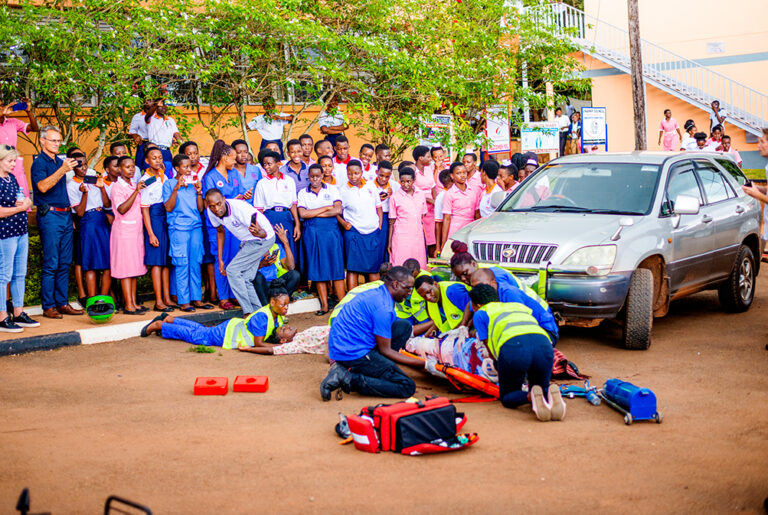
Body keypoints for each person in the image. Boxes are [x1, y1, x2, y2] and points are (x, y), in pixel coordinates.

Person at [320, 266, 425, 401]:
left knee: (403, 327)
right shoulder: (383, 307)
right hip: (352, 353)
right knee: (406, 386)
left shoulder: (379, 293)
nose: (409, 293)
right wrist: (423, 364)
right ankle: (349, 378)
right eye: (408, 289)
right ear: (395, 285)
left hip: (346, 346)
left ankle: (365, 368)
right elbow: (386, 350)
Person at [469, 284, 565, 420]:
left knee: (508, 396)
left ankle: (529, 396)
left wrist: (498, 363)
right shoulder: (517, 306)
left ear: (476, 305)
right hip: (544, 345)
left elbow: (486, 343)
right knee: (540, 386)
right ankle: (547, 394)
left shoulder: (480, 313)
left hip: (514, 348)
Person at [142, 282, 297, 354]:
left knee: (203, 331)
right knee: (198, 336)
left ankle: (170, 319)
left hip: (229, 330)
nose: (286, 307)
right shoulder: (263, 317)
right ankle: (159, 326)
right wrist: (278, 348)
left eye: (287, 304)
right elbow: (259, 343)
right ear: (272, 302)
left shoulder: (279, 316)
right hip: (227, 335)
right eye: (283, 304)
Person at [30, 126, 83, 319]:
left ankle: (62, 303)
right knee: (51, 263)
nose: (57, 144)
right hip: (50, 215)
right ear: (43, 141)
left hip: (65, 215)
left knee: (65, 262)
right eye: (53, 140)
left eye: (59, 141)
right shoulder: (39, 163)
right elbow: (42, 187)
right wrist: (62, 170)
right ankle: (48, 306)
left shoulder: (59, 162)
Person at [206, 189, 275, 315]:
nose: (216, 209)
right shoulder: (212, 212)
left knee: (232, 270)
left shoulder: (240, 209)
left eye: (218, 204)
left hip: (262, 239)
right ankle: (258, 313)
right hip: (248, 241)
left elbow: (263, 234)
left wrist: (258, 235)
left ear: (224, 200)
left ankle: (248, 312)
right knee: (246, 278)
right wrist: (220, 259)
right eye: (212, 206)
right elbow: (220, 232)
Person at [163, 154, 212, 312]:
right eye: (185, 167)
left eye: (190, 167)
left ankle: (197, 298)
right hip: (178, 228)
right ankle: (184, 300)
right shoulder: (169, 184)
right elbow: (168, 207)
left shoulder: (193, 184)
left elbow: (200, 208)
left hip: (195, 227)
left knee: (195, 263)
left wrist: (199, 192)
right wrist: (176, 189)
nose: (188, 170)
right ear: (176, 168)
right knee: (182, 263)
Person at [202, 140, 247, 310]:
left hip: (235, 224)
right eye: (233, 158)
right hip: (218, 225)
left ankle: (235, 294)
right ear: (224, 157)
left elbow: (239, 194)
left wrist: (244, 196)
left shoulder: (234, 174)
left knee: (235, 258)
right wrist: (231, 201)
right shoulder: (210, 177)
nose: (235, 161)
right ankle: (223, 296)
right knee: (221, 259)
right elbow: (211, 204)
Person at [298, 164, 345, 315]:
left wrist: (314, 213)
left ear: (322, 175)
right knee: (318, 268)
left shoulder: (332, 189)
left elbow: (338, 209)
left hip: (331, 231)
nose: (315, 179)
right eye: (312, 176)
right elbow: (303, 214)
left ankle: (342, 304)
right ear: (309, 177)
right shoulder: (303, 193)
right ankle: (324, 305)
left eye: (318, 176)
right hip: (312, 232)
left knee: (335, 266)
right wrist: (325, 208)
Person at [0, 144, 38, 332]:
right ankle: (2, 316)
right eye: (10, 161)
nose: (13, 164)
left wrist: (25, 203)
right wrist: (19, 208)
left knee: (19, 273)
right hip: (5, 233)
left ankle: (18, 311)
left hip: (20, 231)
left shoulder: (12, 178)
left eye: (14, 160)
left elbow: (27, 199)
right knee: (4, 275)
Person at [66, 152, 112, 303]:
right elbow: (79, 213)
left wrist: (102, 188)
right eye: (79, 165)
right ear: (73, 166)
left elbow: (106, 204)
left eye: (85, 164)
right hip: (88, 222)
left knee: (107, 263)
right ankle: (92, 300)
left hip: (101, 220)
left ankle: (103, 299)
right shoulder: (72, 185)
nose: (83, 167)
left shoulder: (95, 180)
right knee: (91, 263)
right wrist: (84, 193)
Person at [469, 268, 559, 341]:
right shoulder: (482, 296)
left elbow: (523, 324)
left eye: (480, 285)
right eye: (473, 287)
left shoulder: (510, 294)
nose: (477, 289)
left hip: (543, 331)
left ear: (493, 283)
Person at [181, 140, 217, 304]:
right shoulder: (181, 175)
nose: (193, 156)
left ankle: (212, 290)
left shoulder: (206, 170)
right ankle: (201, 291)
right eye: (189, 154)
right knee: (198, 258)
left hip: (206, 215)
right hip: (189, 219)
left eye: (195, 153)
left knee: (209, 254)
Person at [110, 157, 147, 314]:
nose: (131, 169)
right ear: (119, 169)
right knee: (126, 269)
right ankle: (128, 305)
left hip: (136, 231)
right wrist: (136, 191)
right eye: (127, 167)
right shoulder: (116, 187)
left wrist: (136, 189)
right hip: (123, 232)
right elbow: (122, 209)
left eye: (132, 166)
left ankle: (133, 302)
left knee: (134, 268)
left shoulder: (133, 184)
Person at [139, 147, 174, 312]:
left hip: (165, 218)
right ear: (147, 161)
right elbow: (145, 208)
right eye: (154, 158)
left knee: (165, 262)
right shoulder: (146, 180)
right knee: (156, 263)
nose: (158, 161)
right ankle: (158, 300)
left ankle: (167, 298)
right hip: (154, 219)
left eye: (160, 157)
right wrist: (151, 233)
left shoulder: (163, 175)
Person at [339, 159, 383, 290]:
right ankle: (352, 299)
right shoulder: (342, 190)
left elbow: (379, 207)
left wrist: (379, 225)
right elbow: (336, 211)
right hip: (354, 232)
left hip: (372, 231)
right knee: (353, 268)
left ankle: (375, 296)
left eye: (356, 173)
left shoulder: (371, 186)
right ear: (347, 174)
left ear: (362, 172)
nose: (353, 176)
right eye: (350, 174)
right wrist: (344, 223)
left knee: (373, 268)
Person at [253, 149, 301, 265]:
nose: (266, 167)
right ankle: (273, 276)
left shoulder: (289, 181)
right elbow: (259, 209)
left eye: (269, 164)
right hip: (270, 217)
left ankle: (288, 275)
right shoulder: (262, 183)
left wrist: (297, 224)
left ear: (278, 163)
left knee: (287, 245)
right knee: (272, 246)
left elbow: (293, 204)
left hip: (286, 217)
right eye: (264, 164)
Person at [253, 223, 300, 307]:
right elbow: (246, 271)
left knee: (295, 275)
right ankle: (267, 308)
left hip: (275, 283)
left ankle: (280, 303)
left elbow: (291, 267)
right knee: (257, 277)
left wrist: (285, 242)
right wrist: (261, 264)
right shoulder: (252, 247)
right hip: (261, 285)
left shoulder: (276, 246)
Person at [388, 167, 427, 268]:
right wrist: (389, 242)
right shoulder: (394, 197)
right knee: (400, 265)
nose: (405, 184)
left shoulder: (421, 195)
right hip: (401, 237)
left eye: (408, 181)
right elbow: (392, 222)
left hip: (417, 237)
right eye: (402, 182)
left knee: (418, 265)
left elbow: (422, 216)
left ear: (414, 180)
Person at [1, 98, 38, 198]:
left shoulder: (13, 122)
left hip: (14, 166)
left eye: (1, 106)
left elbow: (34, 128)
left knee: (20, 197)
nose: (1, 109)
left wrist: (29, 111)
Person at [441, 162, 480, 242]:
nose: (462, 175)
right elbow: (447, 219)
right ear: (452, 176)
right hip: (456, 230)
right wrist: (444, 242)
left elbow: (477, 214)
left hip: (470, 228)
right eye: (458, 173)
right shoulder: (449, 194)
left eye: (464, 172)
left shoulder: (473, 191)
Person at [370, 161, 399, 263]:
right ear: (376, 172)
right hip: (374, 216)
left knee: (389, 243)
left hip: (390, 217)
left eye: (387, 177)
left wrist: (393, 195)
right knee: (377, 244)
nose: (383, 179)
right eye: (381, 175)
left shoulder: (395, 186)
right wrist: (377, 199)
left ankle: (387, 268)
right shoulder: (369, 186)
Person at [412, 145, 438, 257]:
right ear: (420, 158)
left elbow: (433, 187)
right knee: (421, 237)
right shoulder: (413, 170)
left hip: (432, 208)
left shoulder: (429, 170)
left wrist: (436, 200)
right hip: (419, 206)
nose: (430, 159)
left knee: (432, 238)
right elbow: (413, 190)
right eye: (428, 156)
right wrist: (428, 200)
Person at [145, 99, 181, 165]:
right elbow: (147, 116)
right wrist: (156, 105)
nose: (164, 107)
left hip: (166, 151)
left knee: (167, 170)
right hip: (154, 150)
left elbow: (176, 133)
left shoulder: (170, 120)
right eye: (161, 106)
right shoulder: (151, 118)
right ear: (156, 107)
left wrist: (181, 143)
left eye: (165, 106)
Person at [128, 99, 154, 175]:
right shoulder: (137, 117)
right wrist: (135, 135)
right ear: (143, 103)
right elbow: (131, 132)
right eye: (147, 100)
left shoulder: (156, 116)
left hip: (154, 144)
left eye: (151, 100)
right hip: (142, 144)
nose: (149, 102)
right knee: (139, 167)